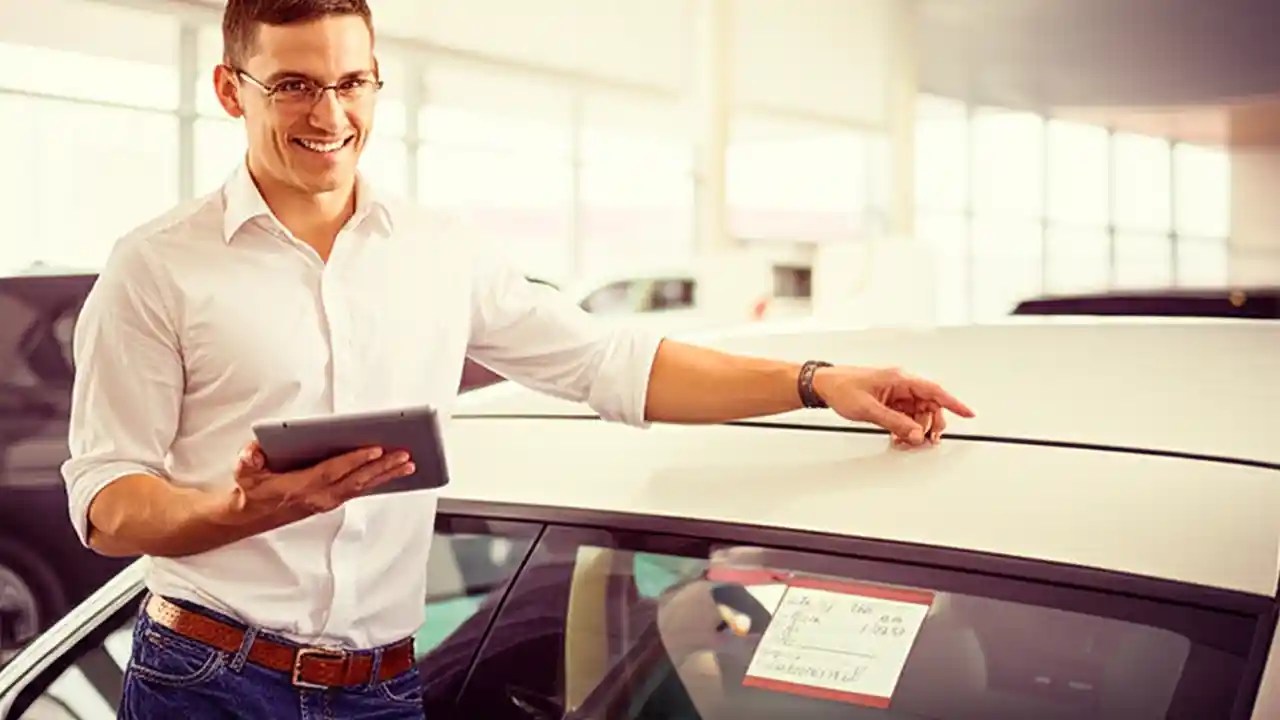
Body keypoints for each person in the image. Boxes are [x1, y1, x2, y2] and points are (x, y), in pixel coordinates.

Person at [61, 1, 974, 718]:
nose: (329, 113)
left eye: (352, 82)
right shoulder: (159, 265)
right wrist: (234, 510)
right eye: (294, 85)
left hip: (380, 687)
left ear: (378, 83)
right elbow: (106, 504)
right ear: (231, 90)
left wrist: (816, 384)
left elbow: (612, 363)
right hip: (211, 681)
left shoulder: (437, 250)